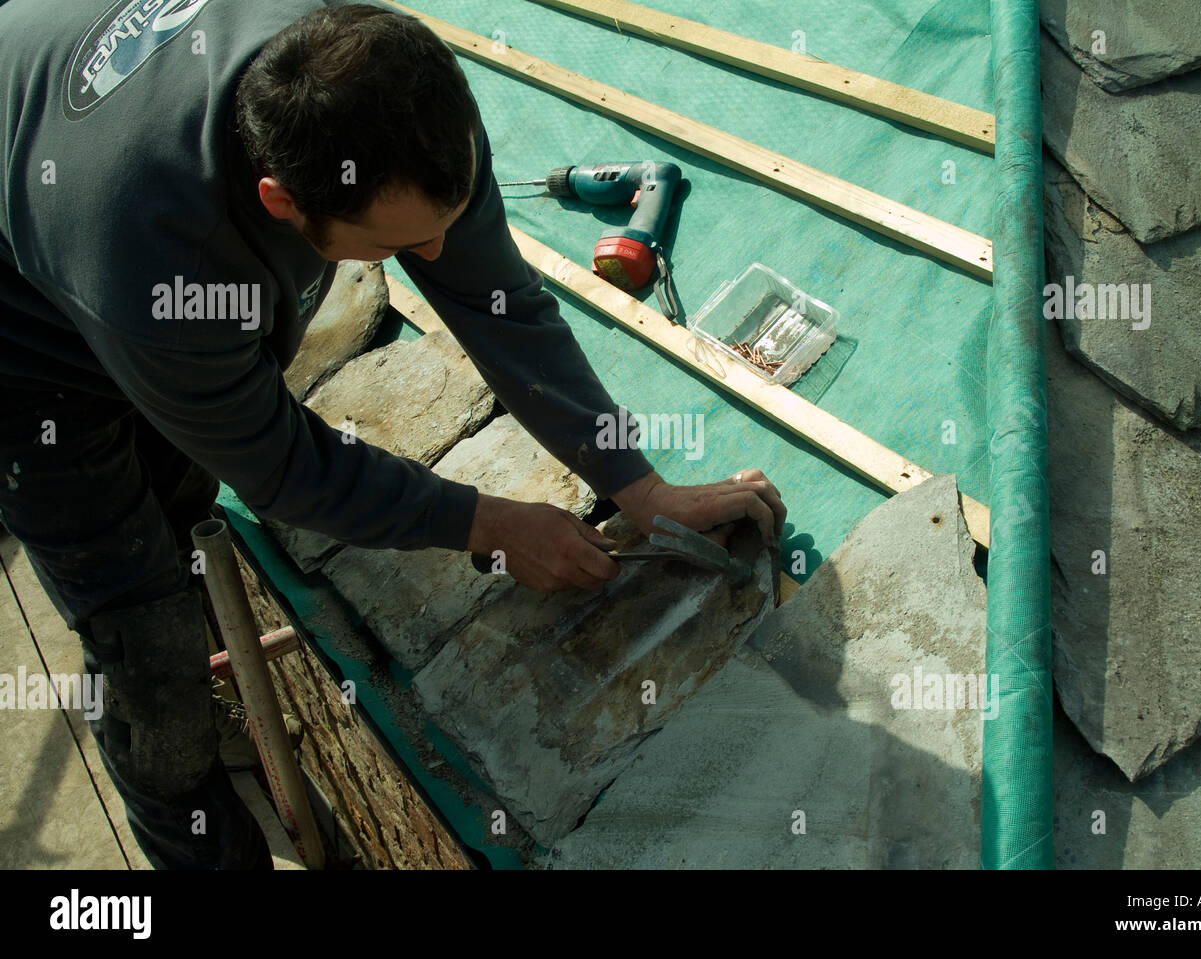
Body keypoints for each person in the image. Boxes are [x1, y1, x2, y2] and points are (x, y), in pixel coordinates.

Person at [0, 0, 785, 868]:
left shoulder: (390, 92)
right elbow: (284, 467)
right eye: (409, 245)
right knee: (142, 645)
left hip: (119, 215)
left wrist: (641, 487)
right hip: (27, 354)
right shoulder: (151, 255)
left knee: (183, 500)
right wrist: (488, 524)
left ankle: (207, 656)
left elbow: (500, 306)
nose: (441, 252)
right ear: (281, 202)